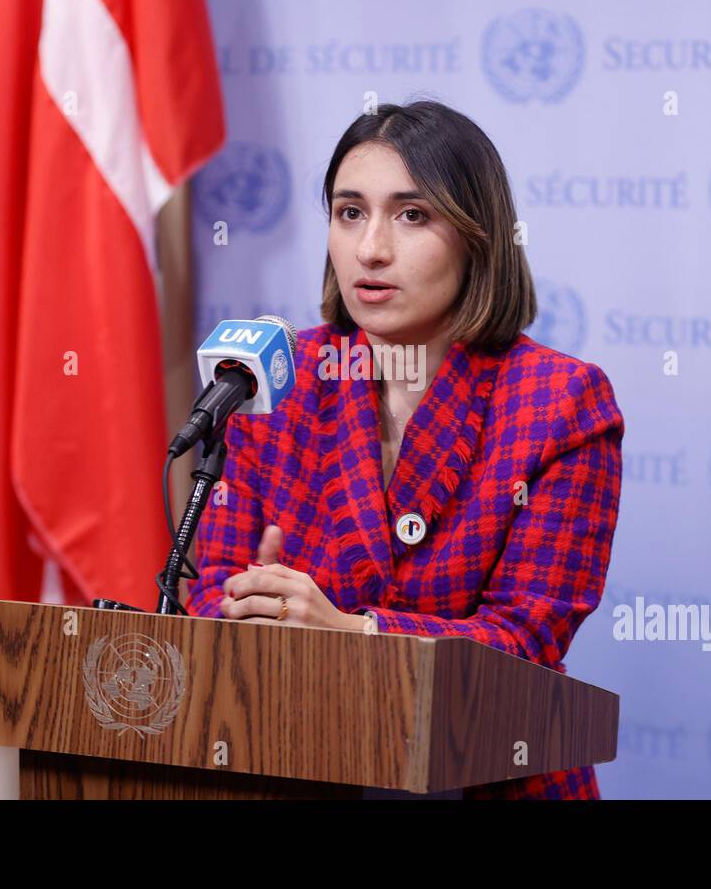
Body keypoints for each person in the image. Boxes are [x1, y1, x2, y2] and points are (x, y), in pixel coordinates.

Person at [185, 99, 625, 799]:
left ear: (478, 237)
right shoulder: (279, 376)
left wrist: (354, 635)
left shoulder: (560, 401)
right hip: (298, 763)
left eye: (412, 215)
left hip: (489, 777)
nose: (371, 249)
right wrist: (249, 614)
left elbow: (525, 643)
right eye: (349, 212)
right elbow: (209, 588)